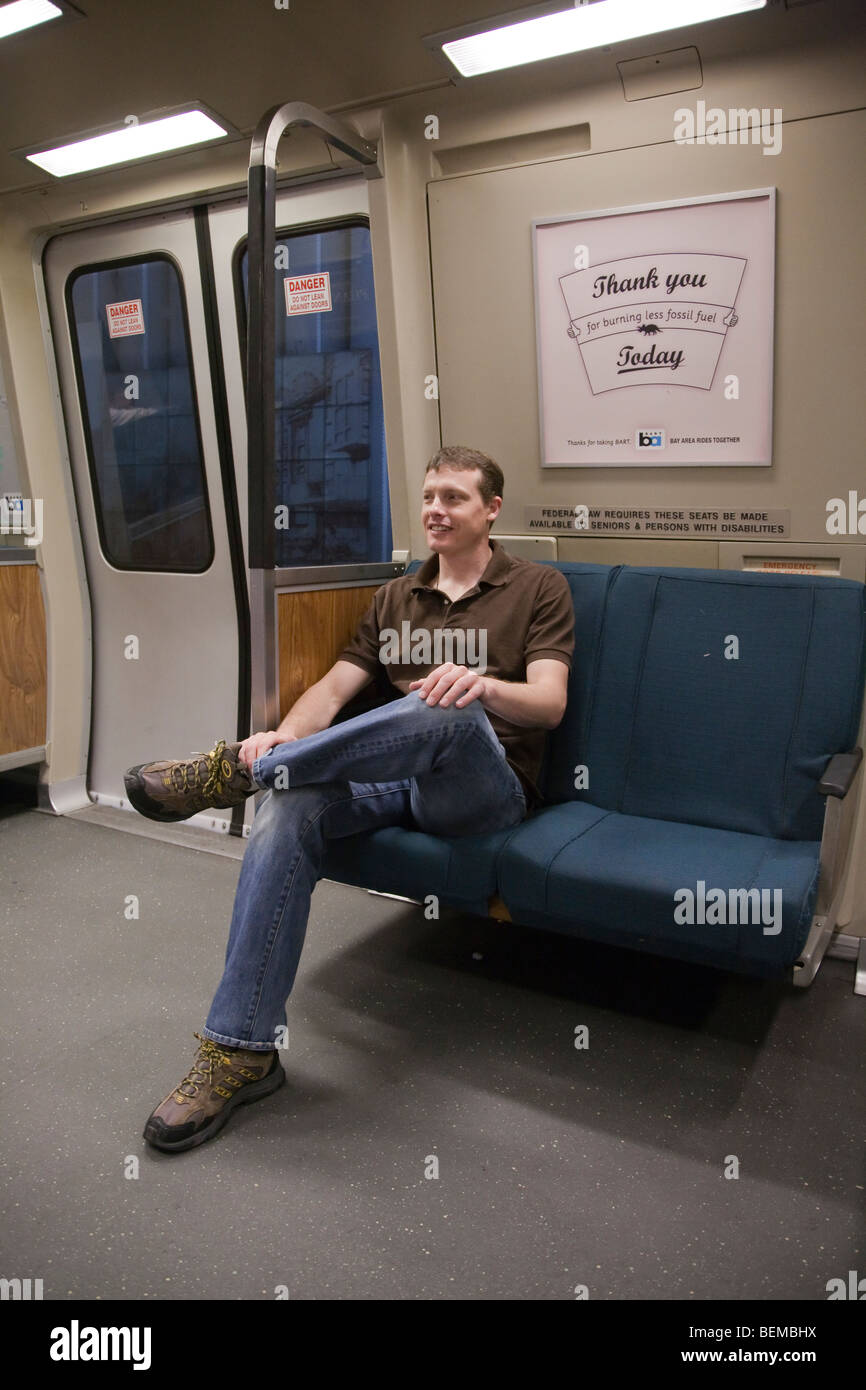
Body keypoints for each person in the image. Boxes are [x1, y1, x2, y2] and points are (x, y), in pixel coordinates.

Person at [126, 445, 575, 1152]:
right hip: (398, 780)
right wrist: (279, 737)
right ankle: (243, 1050)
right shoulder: (396, 596)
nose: (436, 509)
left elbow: (549, 705)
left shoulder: (539, 587)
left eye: (455, 497)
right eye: (429, 496)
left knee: (448, 702)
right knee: (288, 806)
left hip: (484, 787)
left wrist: (481, 686)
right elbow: (333, 691)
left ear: (491, 509)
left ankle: (235, 775)